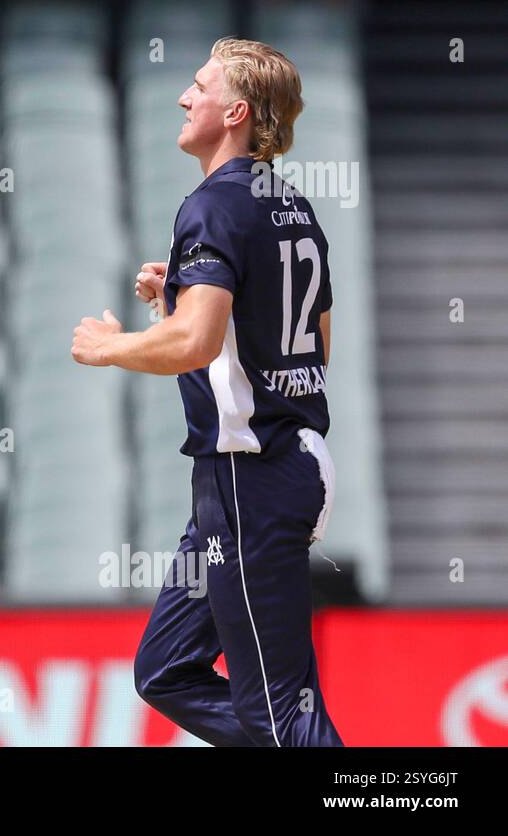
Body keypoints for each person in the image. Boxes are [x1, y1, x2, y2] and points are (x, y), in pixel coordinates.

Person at [71, 38, 342, 746]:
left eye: (199, 86)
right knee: (164, 670)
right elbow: (308, 341)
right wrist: (186, 301)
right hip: (265, 473)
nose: (186, 97)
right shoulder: (288, 202)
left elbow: (195, 343)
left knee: (284, 715)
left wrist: (110, 348)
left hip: (253, 479)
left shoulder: (213, 206)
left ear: (236, 112)